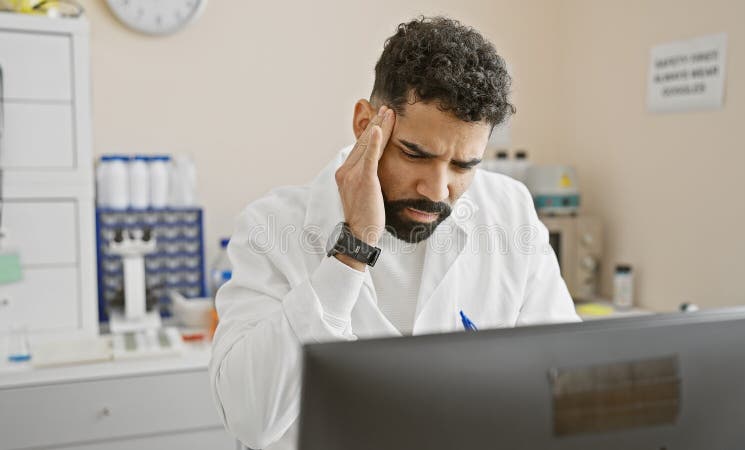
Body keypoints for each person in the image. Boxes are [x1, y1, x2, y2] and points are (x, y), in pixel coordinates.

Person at [210, 16, 579, 450]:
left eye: (463, 166)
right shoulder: (272, 227)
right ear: (366, 123)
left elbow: (563, 385)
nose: (437, 190)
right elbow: (249, 420)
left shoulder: (510, 210)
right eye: (415, 154)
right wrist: (352, 249)